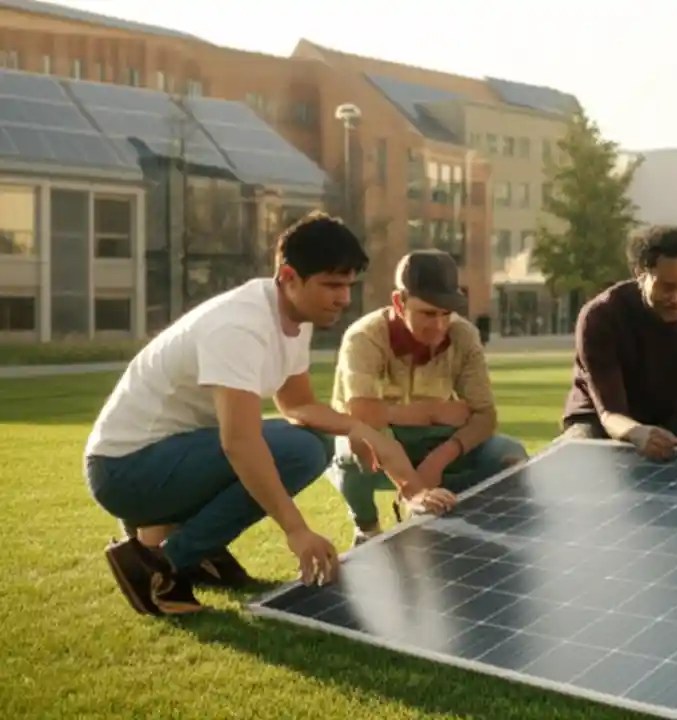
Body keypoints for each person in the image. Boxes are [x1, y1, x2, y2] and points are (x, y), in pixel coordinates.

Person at [84, 212, 436, 617]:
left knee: (312, 442)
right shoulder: (239, 326)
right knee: (299, 451)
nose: (343, 298)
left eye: (348, 286)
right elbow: (239, 442)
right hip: (125, 471)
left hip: (167, 460)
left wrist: (365, 432)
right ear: (289, 276)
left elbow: (297, 405)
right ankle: (157, 565)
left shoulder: (293, 317)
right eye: (331, 285)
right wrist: (297, 530)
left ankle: (196, 553)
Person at [327, 249, 529, 544]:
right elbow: (364, 417)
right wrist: (430, 413)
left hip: (436, 440)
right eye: (428, 313)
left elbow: (485, 416)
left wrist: (438, 460)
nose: (438, 325)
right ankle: (366, 528)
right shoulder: (364, 337)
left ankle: (467, 526)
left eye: (446, 313)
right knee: (351, 448)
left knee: (508, 453)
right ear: (399, 302)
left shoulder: (464, 335)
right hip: (378, 439)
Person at [560, 224, 677, 460]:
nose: (676, 298)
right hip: (596, 422)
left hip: (664, 422)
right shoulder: (601, 316)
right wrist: (637, 433)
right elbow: (610, 413)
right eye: (667, 287)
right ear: (639, 273)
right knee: (581, 457)